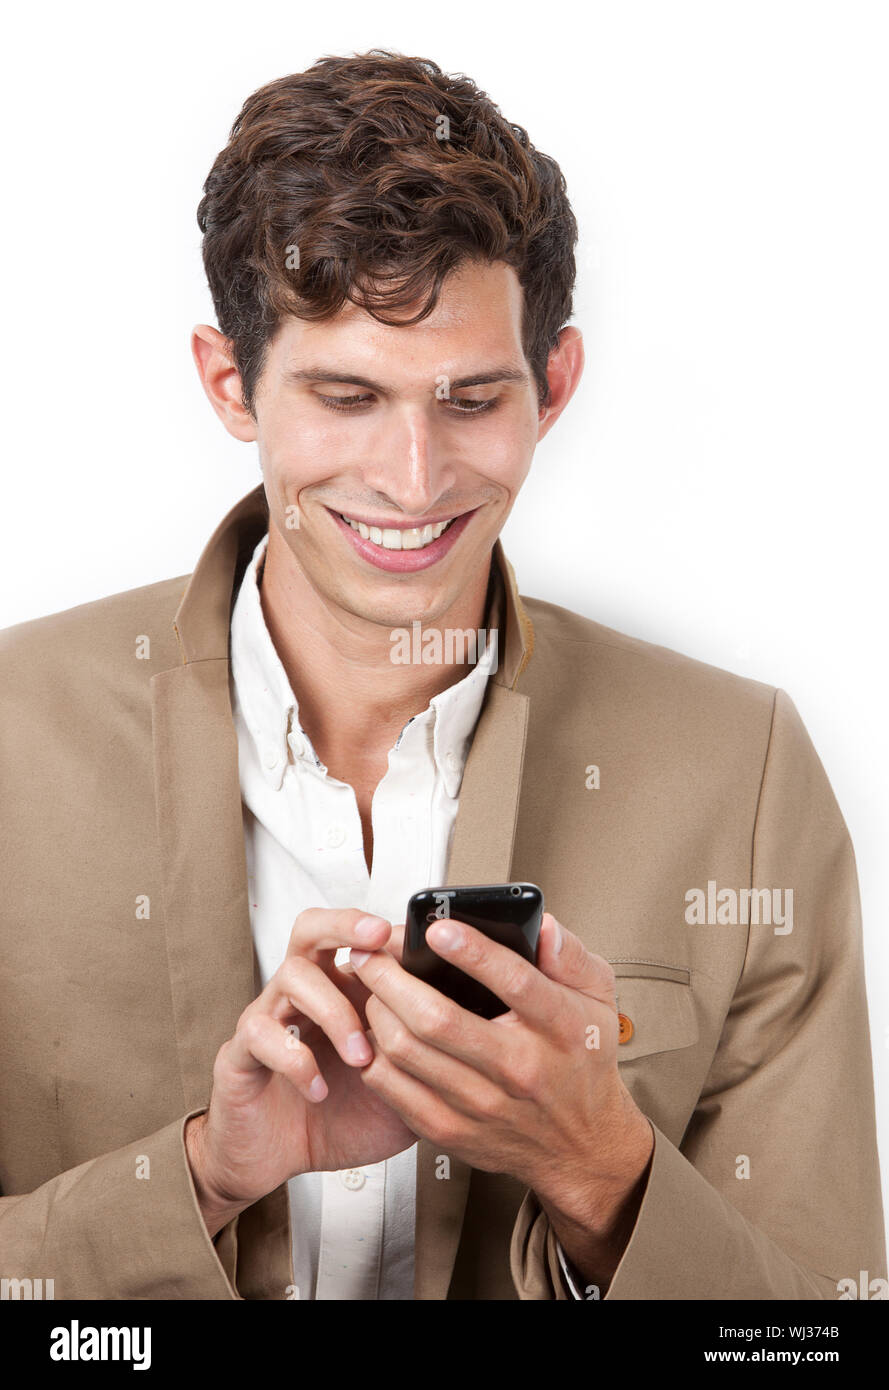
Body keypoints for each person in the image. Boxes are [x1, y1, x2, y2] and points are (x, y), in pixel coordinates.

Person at [0, 49, 884, 1301]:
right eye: (346, 395)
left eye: (470, 398)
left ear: (553, 386)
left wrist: (601, 1176)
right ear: (227, 385)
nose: (413, 479)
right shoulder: (8, 741)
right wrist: (197, 1175)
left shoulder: (738, 773)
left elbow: (813, 1337)